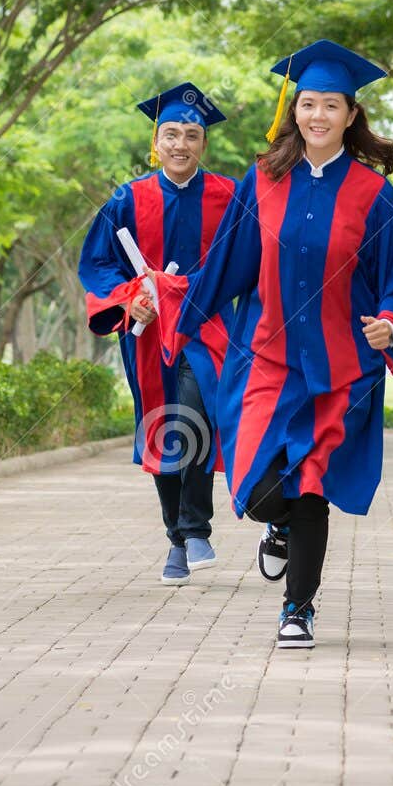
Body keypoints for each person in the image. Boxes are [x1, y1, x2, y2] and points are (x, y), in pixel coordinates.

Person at [150, 40, 393, 649]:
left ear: (351, 116)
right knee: (254, 488)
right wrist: (181, 306)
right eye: (308, 104)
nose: (318, 116)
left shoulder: (374, 196)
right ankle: (276, 528)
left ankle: (296, 610)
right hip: (267, 362)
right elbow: (229, 263)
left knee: (311, 486)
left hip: (341, 369)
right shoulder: (264, 184)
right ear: (295, 110)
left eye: (331, 106)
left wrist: (390, 324)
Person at [79, 82, 238, 586]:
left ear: (203, 144)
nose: (181, 144)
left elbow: (251, 257)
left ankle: (195, 528)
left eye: (192, 135)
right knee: (163, 429)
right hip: (148, 331)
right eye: (171, 133)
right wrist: (131, 297)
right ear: (156, 139)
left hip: (206, 327)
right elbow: (97, 264)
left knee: (197, 412)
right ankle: (177, 539)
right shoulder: (129, 198)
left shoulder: (229, 197)